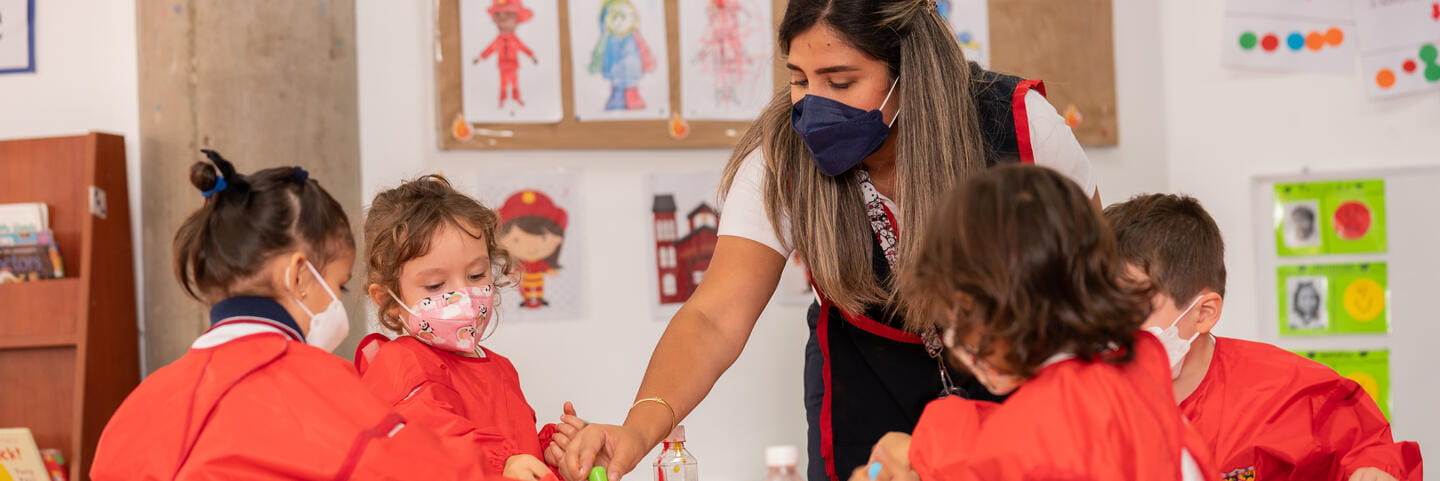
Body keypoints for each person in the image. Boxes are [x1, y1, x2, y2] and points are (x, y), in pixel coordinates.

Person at [558, 1, 1095, 479]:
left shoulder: (1019, 123)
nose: (813, 106)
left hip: (1017, 373)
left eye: (839, 82)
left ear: (911, 74)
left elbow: (1096, 289)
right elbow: (715, 317)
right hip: (863, 378)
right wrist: (637, 431)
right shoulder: (781, 155)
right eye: (798, 79)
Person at [90, 151, 487, 480]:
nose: (338, 302)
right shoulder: (321, 387)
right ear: (299, 275)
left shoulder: (142, 404)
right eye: (339, 284)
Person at [857, 164, 1210, 481]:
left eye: (958, 315)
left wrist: (918, 450)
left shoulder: (1040, 433)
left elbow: (1010, 450)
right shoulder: (1134, 364)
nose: (954, 339)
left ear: (1002, 307)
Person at [1105, 193, 1424, 481]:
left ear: (1203, 313)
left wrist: (1377, 473)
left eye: (1131, 308)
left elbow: (1370, 455)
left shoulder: (1291, 395)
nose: (1109, 327)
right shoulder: (1086, 398)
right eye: (1096, 306)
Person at [355, 176, 584, 480]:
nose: (462, 295)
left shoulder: (501, 369)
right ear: (389, 300)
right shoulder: (399, 362)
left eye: (476, 275)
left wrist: (552, 454)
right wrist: (502, 462)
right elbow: (432, 441)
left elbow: (518, 455)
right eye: (435, 285)